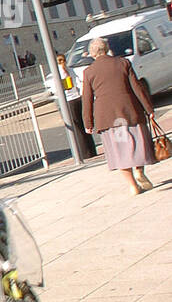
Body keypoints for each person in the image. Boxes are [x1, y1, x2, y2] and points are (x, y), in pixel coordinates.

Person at [81, 36, 159, 195]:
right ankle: (139, 170)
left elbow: (87, 98)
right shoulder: (123, 63)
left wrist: (88, 122)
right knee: (136, 143)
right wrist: (149, 109)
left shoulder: (89, 72)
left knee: (119, 151)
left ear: (92, 53)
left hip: (107, 117)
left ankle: (132, 185)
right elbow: (137, 88)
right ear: (107, 49)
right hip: (130, 110)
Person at [56, 52, 96, 158]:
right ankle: (91, 150)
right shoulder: (70, 69)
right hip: (78, 98)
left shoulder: (58, 73)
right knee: (83, 126)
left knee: (76, 128)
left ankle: (84, 153)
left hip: (69, 100)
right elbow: (78, 82)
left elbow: (57, 89)